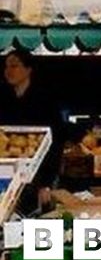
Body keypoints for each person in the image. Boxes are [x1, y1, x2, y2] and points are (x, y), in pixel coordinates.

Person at [0, 50, 64, 213]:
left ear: (28, 70)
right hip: (7, 173)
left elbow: (56, 142)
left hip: (38, 174)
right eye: (6, 66)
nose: (9, 71)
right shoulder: (4, 98)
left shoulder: (44, 100)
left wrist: (47, 184)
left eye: (14, 66)